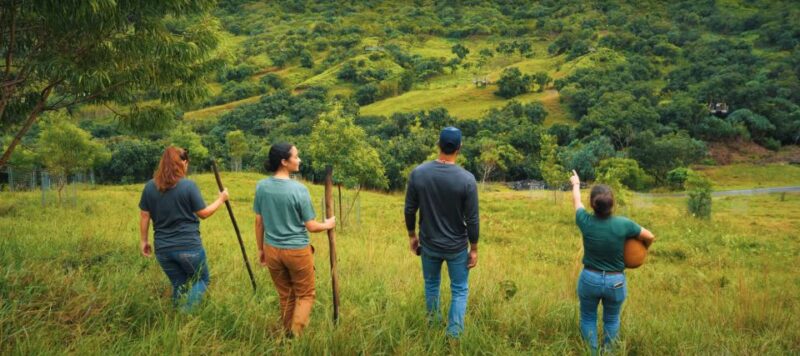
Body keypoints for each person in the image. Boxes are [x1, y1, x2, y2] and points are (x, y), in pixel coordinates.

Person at [404, 126, 480, 339]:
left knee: (431, 285)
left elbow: (410, 209)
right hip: (456, 247)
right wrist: (473, 248)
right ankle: (454, 336)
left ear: (438, 145)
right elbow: (472, 219)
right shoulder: (467, 180)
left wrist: (412, 235)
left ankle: (433, 327)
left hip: (428, 244)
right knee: (459, 290)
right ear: (459, 148)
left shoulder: (418, 173)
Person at [253, 143, 335, 338]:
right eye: (296, 157)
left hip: (271, 249)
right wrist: (329, 224)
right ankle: (294, 337)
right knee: (305, 295)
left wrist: (261, 249)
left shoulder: (262, 187)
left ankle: (286, 332)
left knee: (286, 295)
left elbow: (258, 221)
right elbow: (311, 226)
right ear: (284, 161)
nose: (299, 160)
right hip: (297, 251)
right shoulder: (299, 190)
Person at [569, 170, 655, 352]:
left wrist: (576, 183)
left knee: (588, 317)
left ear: (592, 204)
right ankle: (608, 352)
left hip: (589, 278)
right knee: (611, 319)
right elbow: (650, 236)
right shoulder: (624, 224)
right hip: (615, 281)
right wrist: (641, 251)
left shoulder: (584, 220)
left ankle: (591, 353)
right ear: (613, 205)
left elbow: (576, 202)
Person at [139, 146, 229, 311]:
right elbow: (203, 213)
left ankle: (176, 316)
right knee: (202, 280)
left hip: (163, 249)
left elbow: (144, 215)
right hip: (189, 247)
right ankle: (185, 314)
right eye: (186, 162)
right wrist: (221, 199)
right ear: (182, 163)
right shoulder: (188, 186)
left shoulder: (150, 187)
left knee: (179, 282)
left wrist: (144, 241)